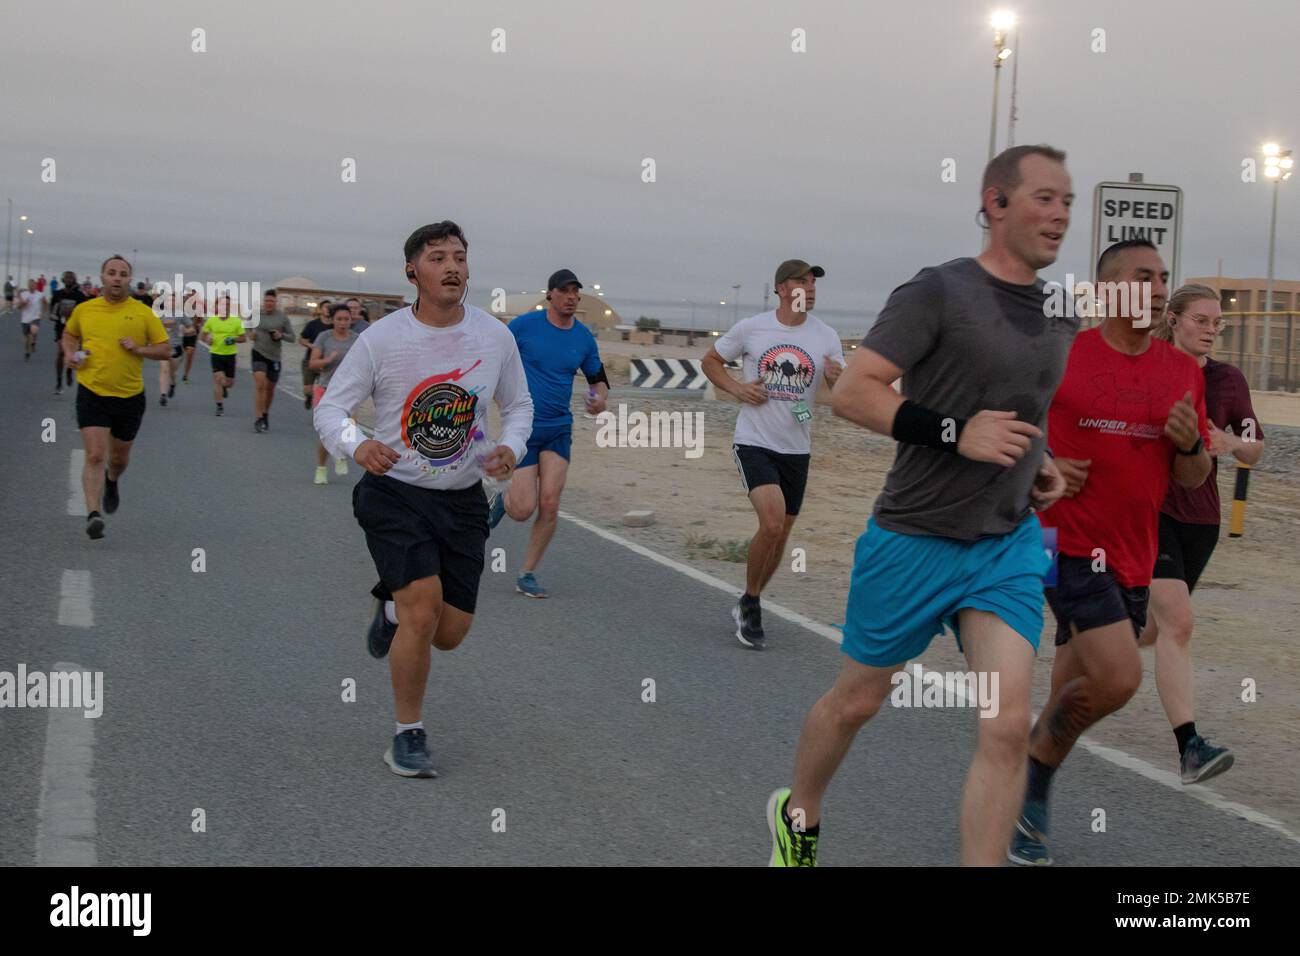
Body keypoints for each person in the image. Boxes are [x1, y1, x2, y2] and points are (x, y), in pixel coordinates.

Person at [766, 145, 1075, 867]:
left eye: (1068, 200)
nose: (1061, 214)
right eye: (1044, 198)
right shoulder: (940, 291)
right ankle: (799, 813)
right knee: (856, 703)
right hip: (914, 537)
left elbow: (1028, 400)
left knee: (1005, 726)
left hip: (1004, 545)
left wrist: (1041, 459)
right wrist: (956, 433)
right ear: (995, 204)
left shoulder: (1063, 309)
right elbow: (855, 391)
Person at [1009, 240, 1212, 866]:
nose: (1156, 289)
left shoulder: (1181, 372)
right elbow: (1007, 429)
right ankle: (1032, 769)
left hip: (1131, 554)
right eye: (1142, 277)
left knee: (1073, 682)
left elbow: (1192, 477)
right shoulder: (1062, 353)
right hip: (1056, 541)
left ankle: (1023, 791)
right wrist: (1042, 462)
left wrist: (1185, 448)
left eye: (1163, 279)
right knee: (1119, 675)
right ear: (1105, 290)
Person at [314, 220, 532, 778]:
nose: (452, 266)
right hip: (394, 495)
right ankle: (407, 734)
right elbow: (330, 411)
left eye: (459, 256)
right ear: (413, 271)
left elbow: (520, 406)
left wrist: (509, 447)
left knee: (450, 633)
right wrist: (357, 446)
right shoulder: (382, 339)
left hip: (462, 501)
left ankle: (388, 606)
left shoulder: (494, 337)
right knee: (423, 606)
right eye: (437, 257)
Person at [1139, 284, 1266, 783]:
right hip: (1149, 511)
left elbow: (1255, 449)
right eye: (1202, 320)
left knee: (1153, 629)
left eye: (1218, 323)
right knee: (1180, 621)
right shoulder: (1145, 367)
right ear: (1173, 319)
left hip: (1202, 520)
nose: (1212, 330)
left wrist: (1230, 439)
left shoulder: (1229, 380)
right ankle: (1189, 745)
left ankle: (1095, 636)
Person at [702, 260, 844, 647]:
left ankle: (750, 598)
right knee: (773, 523)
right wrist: (736, 388)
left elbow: (841, 392)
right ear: (782, 289)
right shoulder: (752, 328)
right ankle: (751, 603)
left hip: (797, 447)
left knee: (781, 535)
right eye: (801, 281)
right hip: (754, 441)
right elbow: (710, 361)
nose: (809, 287)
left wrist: (838, 380)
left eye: (813, 282)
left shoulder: (826, 336)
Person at [489, 269, 608, 598]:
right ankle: (502, 498)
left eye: (575, 293)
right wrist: (499, 397)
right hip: (522, 427)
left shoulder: (583, 337)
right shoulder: (524, 326)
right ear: (550, 294)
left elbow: (598, 378)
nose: (571, 297)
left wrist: (599, 399)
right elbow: (496, 361)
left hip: (558, 427)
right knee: (522, 509)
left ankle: (527, 573)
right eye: (565, 291)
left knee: (551, 503)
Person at [61, 255, 170, 539]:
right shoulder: (85, 310)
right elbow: (69, 335)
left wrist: (138, 349)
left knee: (118, 460)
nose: (117, 278)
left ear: (129, 280)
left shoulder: (143, 313)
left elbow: (164, 349)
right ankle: (93, 514)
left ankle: (112, 480)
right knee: (95, 454)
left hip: (129, 396)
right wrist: (70, 354)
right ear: (102, 277)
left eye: (123, 274)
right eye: (112, 273)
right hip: (92, 391)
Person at [308, 303, 358, 483]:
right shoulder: (324, 337)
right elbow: (312, 364)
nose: (343, 323)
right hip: (326, 390)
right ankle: (321, 469)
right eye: (339, 319)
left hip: (349, 392)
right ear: (332, 320)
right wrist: (328, 359)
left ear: (351, 320)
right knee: (327, 432)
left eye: (347, 319)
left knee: (348, 429)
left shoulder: (356, 339)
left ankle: (341, 456)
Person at [248, 288, 296, 432]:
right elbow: (246, 328)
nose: (269, 303)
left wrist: (280, 335)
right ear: (264, 301)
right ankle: (258, 418)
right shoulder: (256, 314)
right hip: (258, 353)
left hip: (274, 357)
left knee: (270, 389)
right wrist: (251, 334)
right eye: (267, 301)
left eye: (272, 301)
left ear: (276, 302)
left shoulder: (282, 318)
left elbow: (292, 337)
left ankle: (265, 413)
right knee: (260, 384)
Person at [200, 295, 246, 416]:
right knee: (218, 379)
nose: (225, 306)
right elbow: (202, 336)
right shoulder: (212, 320)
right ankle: (219, 406)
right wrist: (207, 340)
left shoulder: (236, 321)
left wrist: (233, 339)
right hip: (216, 354)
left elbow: (243, 338)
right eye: (222, 304)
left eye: (227, 304)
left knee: (229, 383)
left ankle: (225, 388)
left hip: (230, 355)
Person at [50, 270, 88, 394]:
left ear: (74, 280)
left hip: (75, 329)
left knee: (71, 353)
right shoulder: (57, 294)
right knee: (61, 352)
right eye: (66, 278)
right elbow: (51, 313)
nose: (69, 280)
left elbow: (84, 313)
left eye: (71, 278)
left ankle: (69, 371)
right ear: (63, 279)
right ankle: (59, 382)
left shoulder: (80, 296)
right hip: (60, 328)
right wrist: (58, 317)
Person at [157, 293, 190, 406]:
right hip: (163, 347)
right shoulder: (159, 315)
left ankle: (173, 384)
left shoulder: (180, 315)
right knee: (164, 369)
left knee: (172, 372)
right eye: (169, 301)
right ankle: (163, 395)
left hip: (176, 348)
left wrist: (185, 330)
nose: (171, 303)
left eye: (174, 301)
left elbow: (192, 329)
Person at [299, 300, 333, 410]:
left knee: (324, 389)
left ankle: (321, 409)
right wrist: (311, 346)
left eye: (330, 307)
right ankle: (309, 397)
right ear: (320, 309)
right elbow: (301, 339)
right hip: (310, 360)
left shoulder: (334, 326)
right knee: (307, 389)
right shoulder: (312, 324)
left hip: (326, 363)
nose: (328, 309)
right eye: (326, 307)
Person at [18, 278, 45, 360]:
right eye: (30, 285)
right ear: (28, 286)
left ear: (36, 286)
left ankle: (33, 342)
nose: (31, 286)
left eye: (33, 285)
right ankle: (27, 352)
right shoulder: (23, 294)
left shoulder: (40, 294)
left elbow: (46, 303)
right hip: (25, 319)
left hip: (35, 316)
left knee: (34, 331)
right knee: (26, 338)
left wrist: (42, 313)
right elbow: (19, 307)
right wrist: (23, 303)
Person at [180, 288, 201, 382]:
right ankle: (175, 368)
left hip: (192, 334)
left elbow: (200, 322)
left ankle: (185, 375)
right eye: (189, 295)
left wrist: (198, 326)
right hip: (180, 334)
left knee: (190, 355)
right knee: (179, 355)